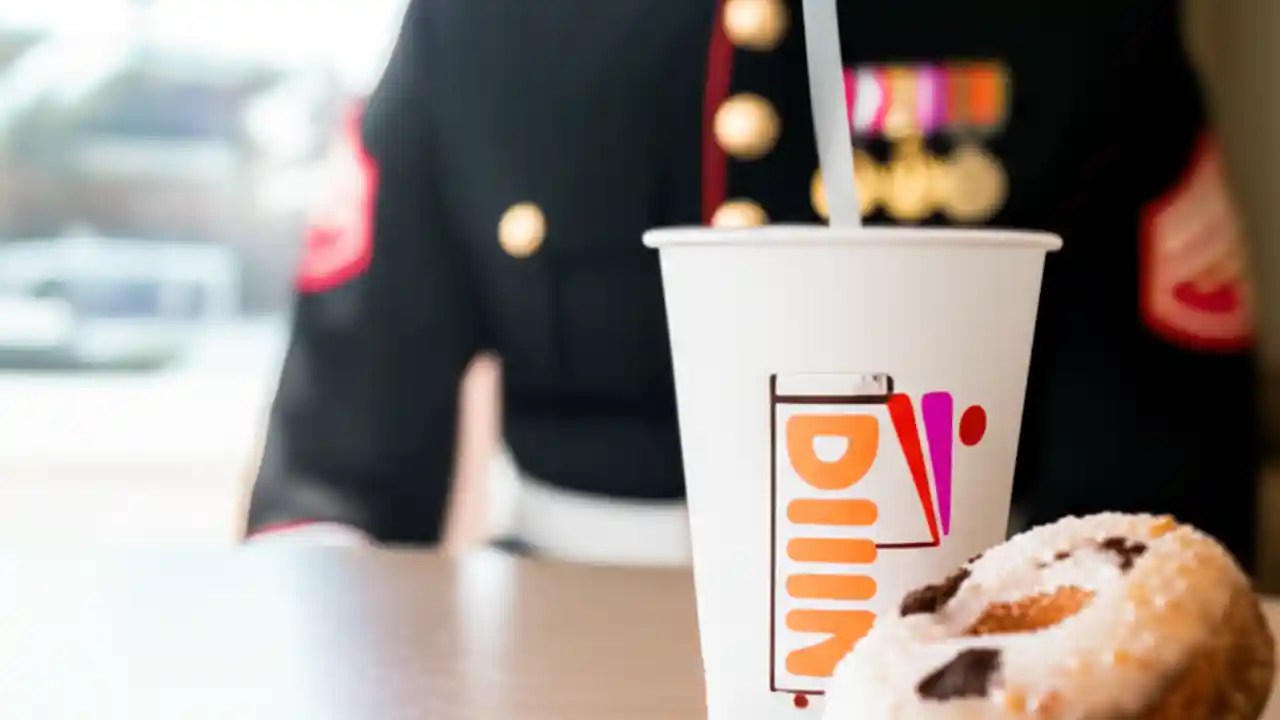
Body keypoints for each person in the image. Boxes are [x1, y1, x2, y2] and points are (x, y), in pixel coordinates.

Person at [245, 0, 1261, 570]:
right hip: (558, 635)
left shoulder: (1081, 21)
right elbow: (339, 469)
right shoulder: (483, 26)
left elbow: (1159, 487)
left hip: (960, 655)